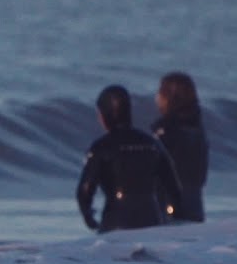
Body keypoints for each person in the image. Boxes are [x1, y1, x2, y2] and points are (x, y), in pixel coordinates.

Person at [76, 85, 183, 233]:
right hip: (151, 219)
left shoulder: (101, 147)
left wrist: (89, 218)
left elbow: (85, 190)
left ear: (104, 114)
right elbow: (174, 188)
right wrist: (171, 214)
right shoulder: (152, 144)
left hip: (115, 221)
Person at [151, 72, 208, 222]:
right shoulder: (197, 127)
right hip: (195, 202)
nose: (157, 97)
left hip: (170, 204)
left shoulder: (165, 130)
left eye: (160, 92)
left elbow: (157, 171)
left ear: (169, 97)